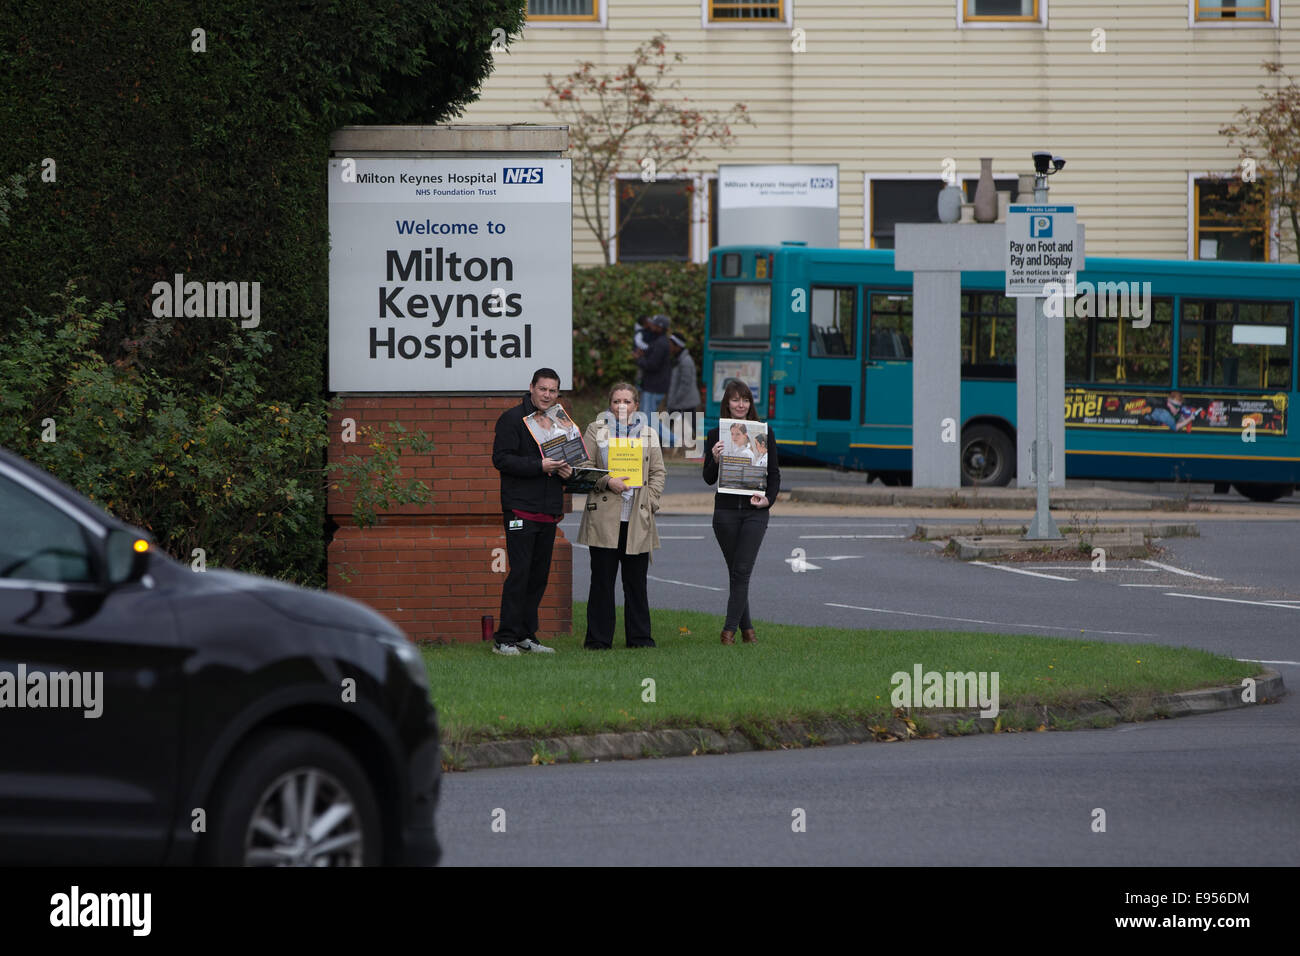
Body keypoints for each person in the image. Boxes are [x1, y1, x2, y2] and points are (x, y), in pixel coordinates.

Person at [489, 368, 573, 656]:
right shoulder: (512, 419)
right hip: (519, 509)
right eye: (543, 389)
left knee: (538, 576)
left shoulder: (560, 421)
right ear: (531, 388)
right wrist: (540, 466)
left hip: (548, 510)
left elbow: (570, 462)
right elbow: (501, 459)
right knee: (520, 573)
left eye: (553, 390)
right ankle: (505, 639)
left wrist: (568, 471)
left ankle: (526, 635)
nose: (547, 395)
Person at [577, 383, 666, 649]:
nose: (621, 406)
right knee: (602, 583)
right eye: (616, 401)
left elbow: (658, 473)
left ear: (636, 405)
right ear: (610, 405)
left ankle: (639, 639)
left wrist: (650, 501)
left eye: (627, 401)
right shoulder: (596, 430)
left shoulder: (649, 434)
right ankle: (598, 640)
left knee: (636, 584)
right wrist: (607, 481)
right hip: (605, 518)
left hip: (637, 518)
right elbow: (583, 466)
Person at [703, 380, 780, 645]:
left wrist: (768, 500)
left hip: (754, 513)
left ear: (750, 404)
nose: (740, 404)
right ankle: (748, 631)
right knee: (736, 572)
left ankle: (728, 632)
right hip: (724, 514)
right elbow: (707, 479)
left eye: (745, 400)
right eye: (735, 400)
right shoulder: (716, 434)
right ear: (727, 403)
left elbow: (774, 475)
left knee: (742, 571)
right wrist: (714, 458)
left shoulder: (764, 434)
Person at [634, 314, 672, 421]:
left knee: (647, 421)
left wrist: (639, 358)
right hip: (653, 386)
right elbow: (650, 353)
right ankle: (672, 438)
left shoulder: (661, 343)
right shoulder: (659, 341)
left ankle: (672, 438)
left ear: (660, 327)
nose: (651, 326)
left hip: (653, 388)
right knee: (649, 421)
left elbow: (652, 364)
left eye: (654, 325)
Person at [665, 333, 700, 450]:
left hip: (684, 401)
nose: (669, 347)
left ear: (678, 346)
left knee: (669, 422)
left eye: (671, 345)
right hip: (681, 401)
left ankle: (663, 446)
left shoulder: (685, 361)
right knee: (670, 423)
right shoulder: (679, 359)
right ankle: (665, 447)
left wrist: (675, 400)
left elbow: (686, 383)